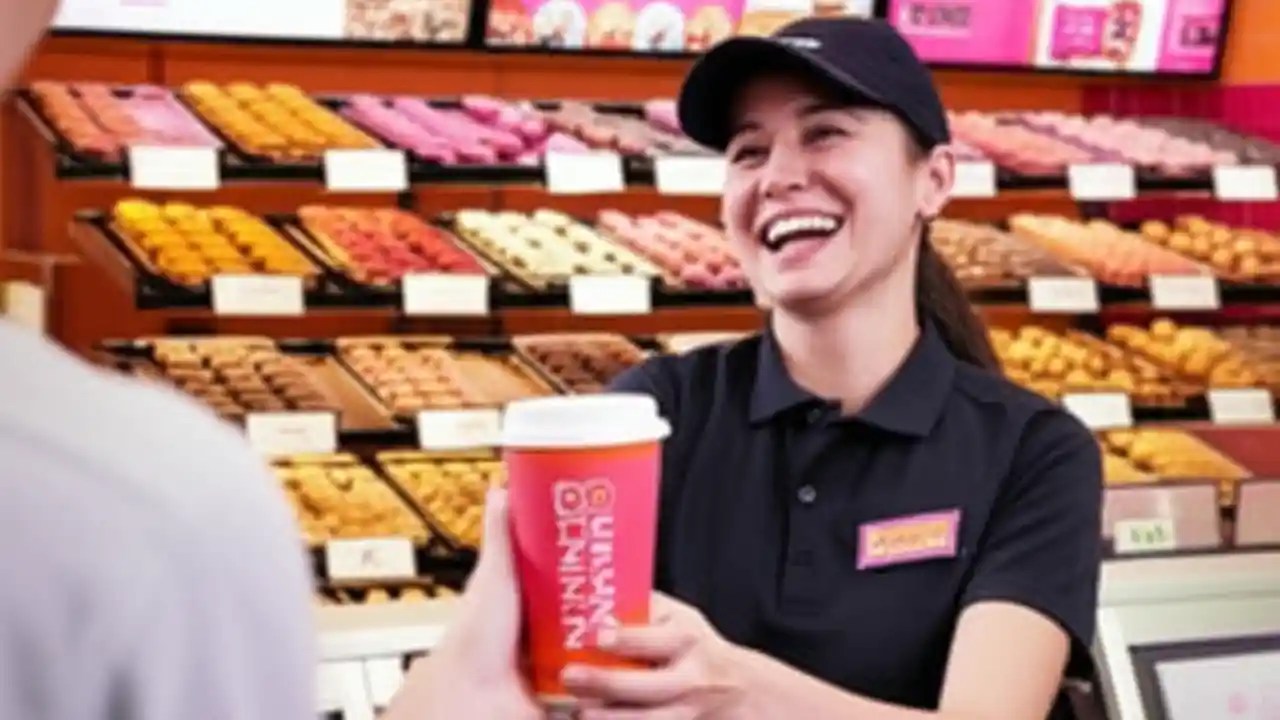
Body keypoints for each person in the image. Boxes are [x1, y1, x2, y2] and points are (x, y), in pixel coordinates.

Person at [562, 17, 1103, 720]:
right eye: (748, 151)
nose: (780, 177)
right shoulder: (656, 413)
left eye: (826, 134)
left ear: (933, 181)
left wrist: (737, 692)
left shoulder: (1032, 453)